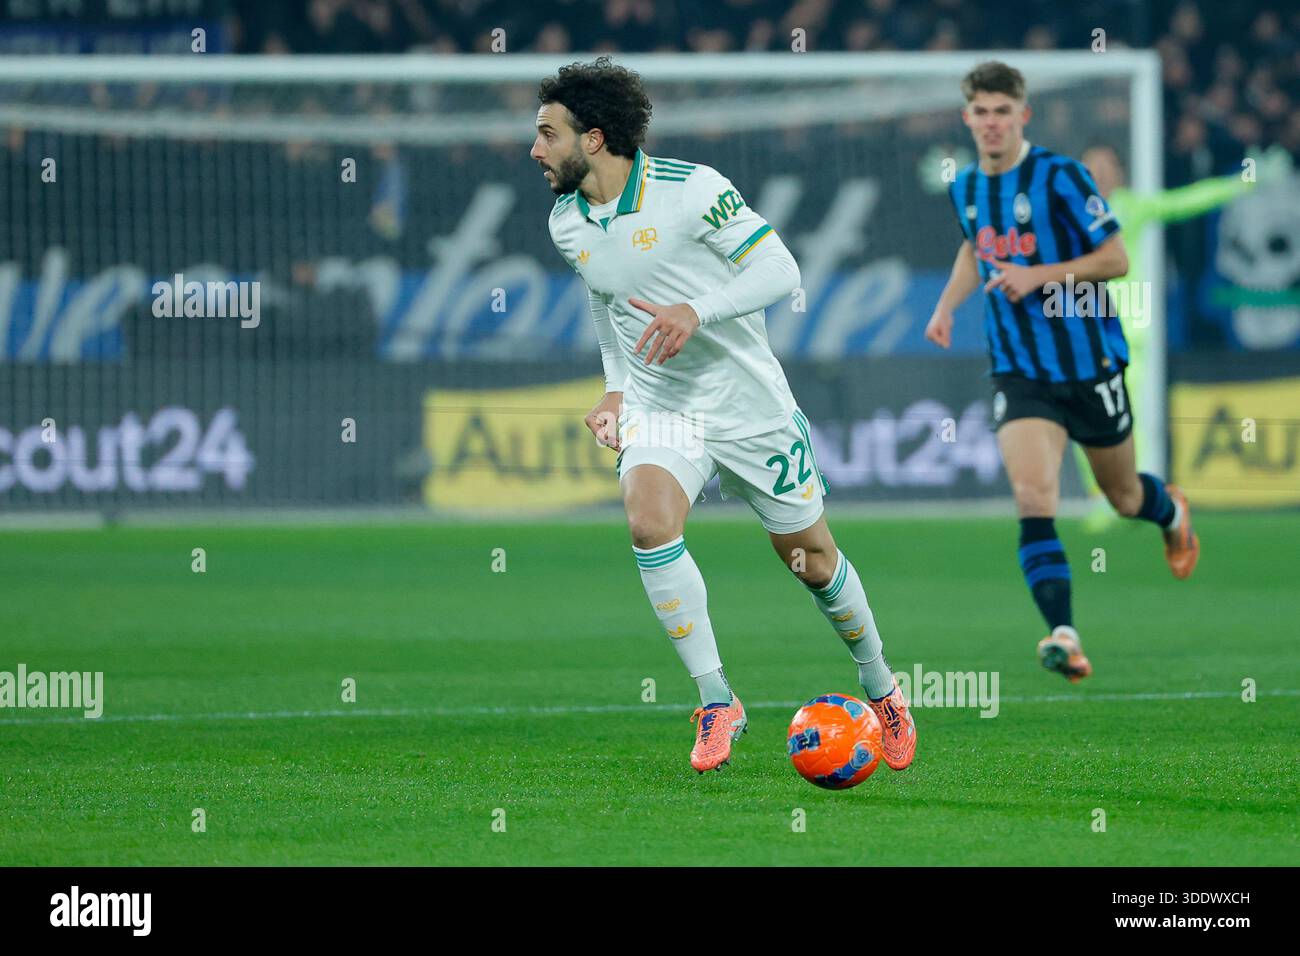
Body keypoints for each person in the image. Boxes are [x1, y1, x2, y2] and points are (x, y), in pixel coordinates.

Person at [533, 56, 916, 773]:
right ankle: (717, 700)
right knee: (648, 523)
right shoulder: (566, 222)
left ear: (592, 138)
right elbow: (603, 297)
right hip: (661, 405)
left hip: (748, 406)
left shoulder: (691, 189)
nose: (534, 149)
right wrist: (616, 385)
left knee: (810, 560)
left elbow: (781, 270)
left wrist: (695, 310)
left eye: (546, 133)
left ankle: (882, 685)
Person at [925, 61, 1200, 682]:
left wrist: (1037, 278)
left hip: (1089, 361)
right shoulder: (965, 186)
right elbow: (976, 244)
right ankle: (1064, 634)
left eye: (1003, 111)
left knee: (1123, 496)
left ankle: (1170, 513)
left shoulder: (1062, 177)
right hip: (1020, 369)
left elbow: (1116, 258)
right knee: (1033, 497)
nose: (992, 123)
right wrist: (947, 305)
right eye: (981, 112)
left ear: (1022, 115)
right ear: (968, 117)